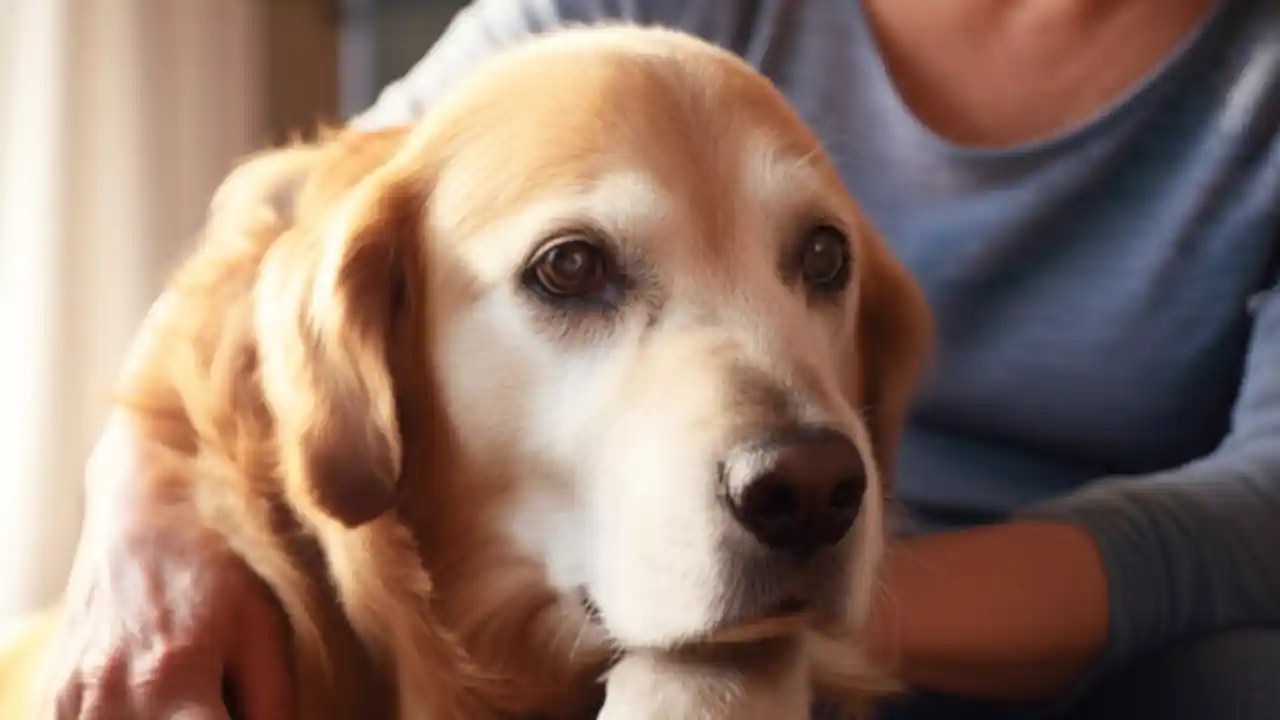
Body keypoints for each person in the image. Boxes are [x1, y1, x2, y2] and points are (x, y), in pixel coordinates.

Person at [42, 1, 1280, 718]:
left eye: (816, 265)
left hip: (1048, 637)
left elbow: (1259, 510)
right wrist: (141, 498)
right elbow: (305, 215)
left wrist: (768, 645)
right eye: (573, 270)